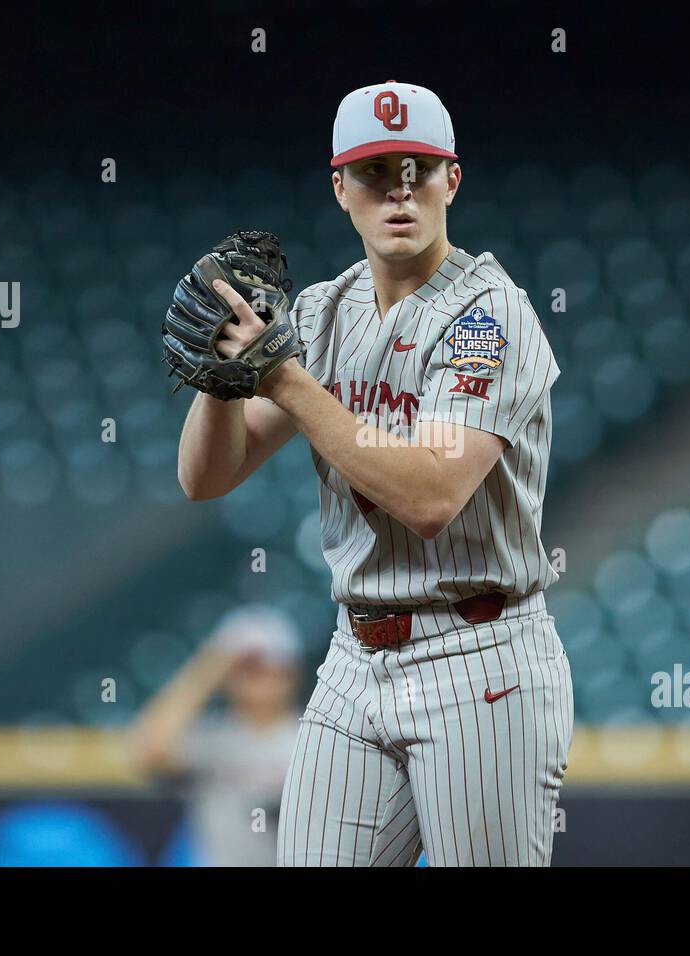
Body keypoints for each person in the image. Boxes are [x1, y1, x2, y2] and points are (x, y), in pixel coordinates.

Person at [176, 80, 572, 866]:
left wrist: (281, 376)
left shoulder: (489, 314)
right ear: (340, 189)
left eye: (418, 168)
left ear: (451, 180)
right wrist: (221, 374)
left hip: (480, 660)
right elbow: (205, 478)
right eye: (375, 169)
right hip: (355, 657)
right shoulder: (322, 314)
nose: (399, 189)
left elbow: (431, 496)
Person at [129, 605, 302, 867]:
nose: (260, 678)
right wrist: (210, 667)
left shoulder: (313, 737)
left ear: (290, 672)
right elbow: (148, 751)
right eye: (247, 667)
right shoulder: (213, 737)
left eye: (267, 665)